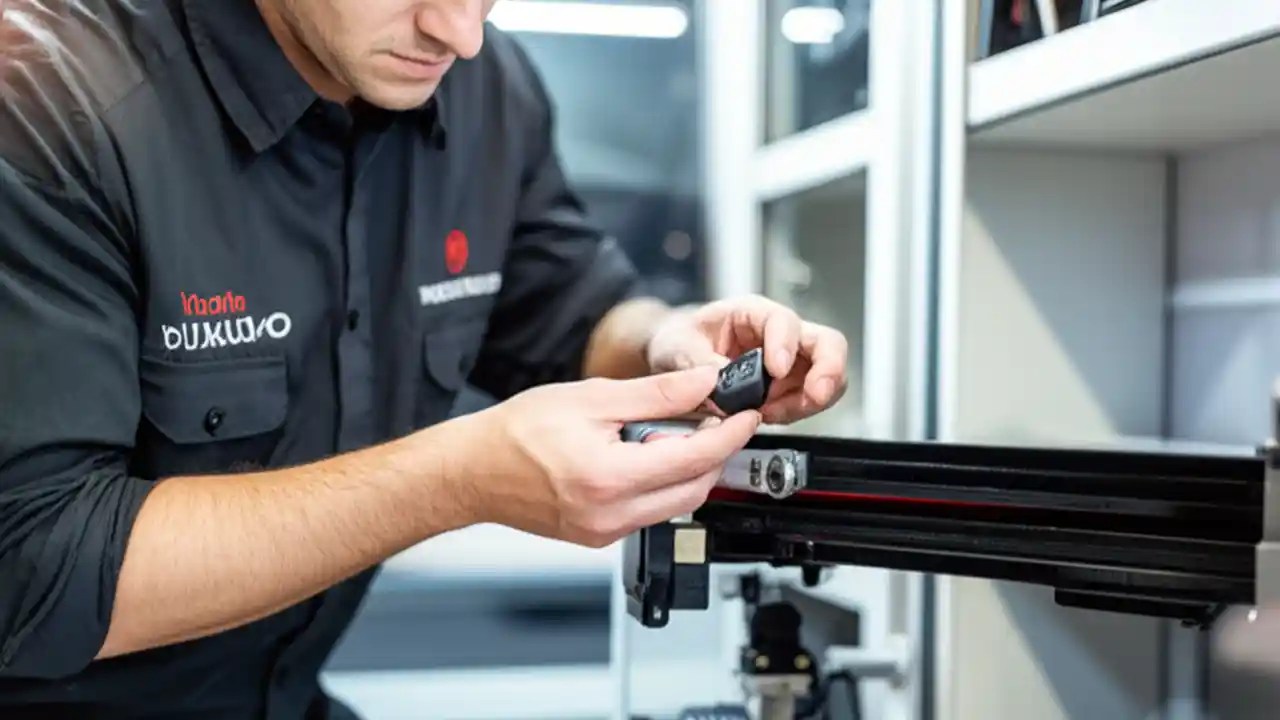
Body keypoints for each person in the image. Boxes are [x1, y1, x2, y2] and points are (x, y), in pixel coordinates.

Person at [0, 0, 849, 717]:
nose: (461, 34)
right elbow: (34, 568)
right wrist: (459, 479)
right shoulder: (46, 94)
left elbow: (568, 309)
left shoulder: (485, 88)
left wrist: (667, 343)